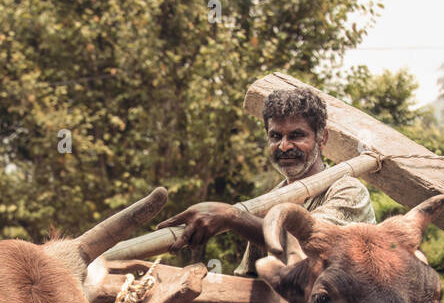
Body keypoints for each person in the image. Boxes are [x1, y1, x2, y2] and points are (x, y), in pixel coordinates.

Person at [157, 86, 376, 271]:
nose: (284, 146)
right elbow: (251, 278)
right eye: (275, 136)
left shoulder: (347, 191)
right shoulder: (270, 200)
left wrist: (232, 217)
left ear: (322, 137)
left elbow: (307, 245)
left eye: (296, 135)